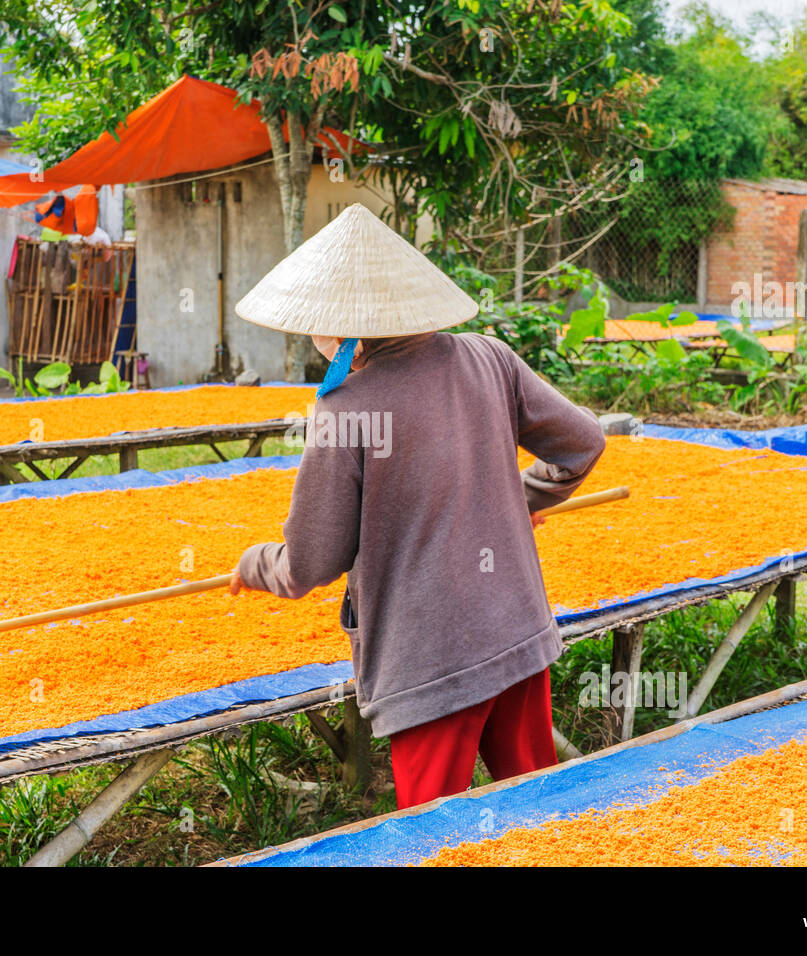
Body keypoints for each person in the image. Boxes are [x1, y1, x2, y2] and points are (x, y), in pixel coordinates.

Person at [229, 204, 606, 809]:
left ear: (342, 327)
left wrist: (256, 564)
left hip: (431, 660)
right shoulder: (491, 359)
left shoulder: (343, 410)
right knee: (541, 812)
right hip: (516, 628)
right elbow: (583, 444)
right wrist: (521, 496)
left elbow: (312, 563)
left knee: (432, 833)